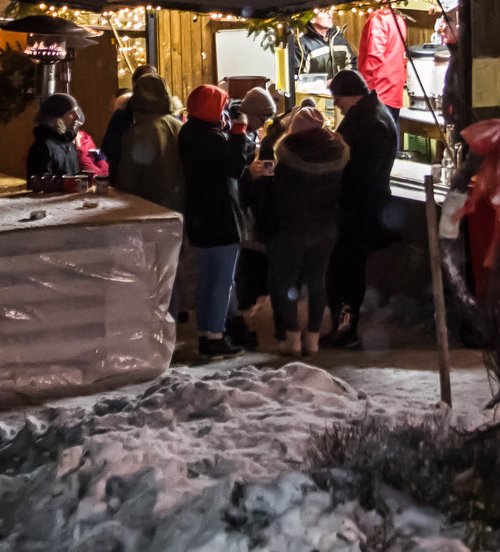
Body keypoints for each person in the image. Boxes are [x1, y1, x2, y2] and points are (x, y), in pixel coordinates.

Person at [259, 104, 347, 355]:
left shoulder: (286, 154)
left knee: (289, 284)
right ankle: (313, 340)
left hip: (293, 227)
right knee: (318, 282)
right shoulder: (337, 152)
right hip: (325, 228)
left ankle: (293, 339)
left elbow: (276, 192)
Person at [178, 85, 257, 357]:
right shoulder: (210, 138)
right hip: (221, 218)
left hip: (200, 217)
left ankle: (206, 333)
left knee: (208, 279)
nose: (225, 110)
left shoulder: (189, 131)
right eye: (221, 105)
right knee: (221, 280)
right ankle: (214, 336)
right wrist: (238, 132)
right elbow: (235, 166)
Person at [325, 67, 399, 349]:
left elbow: (357, 171)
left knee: (346, 271)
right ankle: (343, 328)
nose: (335, 105)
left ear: (348, 95)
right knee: (348, 270)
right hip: (366, 206)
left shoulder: (366, 122)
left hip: (357, 210)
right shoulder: (376, 113)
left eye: (337, 98)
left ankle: (345, 330)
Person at [110, 72, 183, 211]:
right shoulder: (179, 126)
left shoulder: (138, 132)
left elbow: (128, 178)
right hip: (180, 205)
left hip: (148, 206)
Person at [101, 64, 159, 175]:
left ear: (134, 85)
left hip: (124, 178)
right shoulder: (168, 116)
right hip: (155, 179)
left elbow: (108, 148)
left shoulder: (122, 114)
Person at [357, 5, 410, 120]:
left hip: (378, 90)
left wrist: (361, 84)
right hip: (395, 89)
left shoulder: (377, 20)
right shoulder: (399, 19)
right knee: (391, 132)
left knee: (376, 135)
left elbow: (375, 56)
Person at [26, 93, 84, 180]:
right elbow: (40, 186)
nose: (77, 117)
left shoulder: (69, 143)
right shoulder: (42, 147)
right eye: (71, 113)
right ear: (57, 119)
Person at [294, 9, 354, 78]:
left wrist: (342, 81)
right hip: (318, 89)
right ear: (312, 19)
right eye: (323, 11)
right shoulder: (302, 46)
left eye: (330, 10)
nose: (330, 15)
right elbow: (298, 78)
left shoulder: (339, 40)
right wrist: (324, 84)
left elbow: (353, 65)